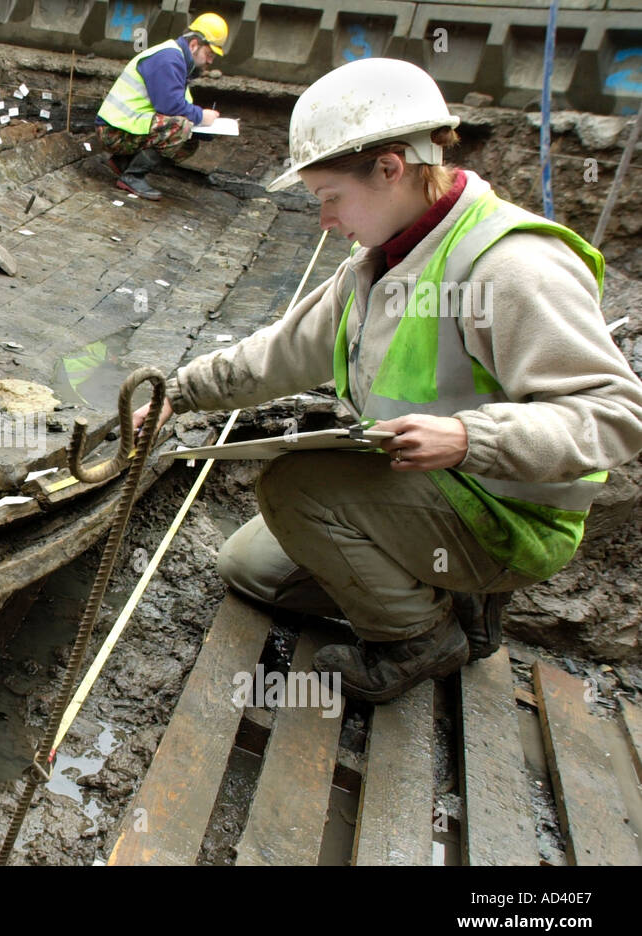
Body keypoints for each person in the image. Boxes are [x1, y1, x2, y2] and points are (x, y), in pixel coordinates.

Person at [132, 57, 642, 703]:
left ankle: (419, 641)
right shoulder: (381, 261)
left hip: (503, 516)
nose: (324, 220)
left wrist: (466, 437)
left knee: (298, 488)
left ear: (391, 167)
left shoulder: (510, 266)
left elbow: (616, 414)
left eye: (329, 198)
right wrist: (181, 392)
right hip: (428, 489)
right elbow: (284, 353)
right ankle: (451, 596)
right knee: (251, 569)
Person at [94, 12, 228, 201]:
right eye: (209, 54)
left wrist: (202, 126)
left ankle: (124, 162)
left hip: (125, 128)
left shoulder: (178, 61)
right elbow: (170, 106)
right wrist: (201, 116)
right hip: (113, 131)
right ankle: (132, 176)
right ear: (194, 45)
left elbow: (179, 106)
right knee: (180, 128)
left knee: (189, 140)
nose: (210, 61)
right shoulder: (168, 59)